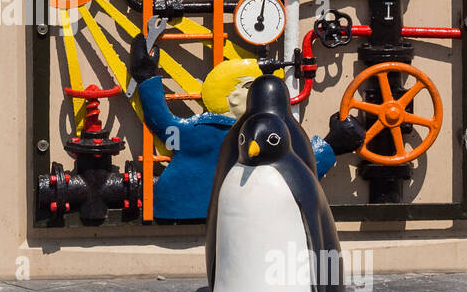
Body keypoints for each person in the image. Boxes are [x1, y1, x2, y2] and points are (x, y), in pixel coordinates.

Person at [128, 34, 364, 222]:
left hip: (189, 209)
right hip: (219, 213)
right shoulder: (224, 133)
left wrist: (146, 76)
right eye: (251, 86)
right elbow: (297, 169)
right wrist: (332, 144)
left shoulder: (198, 131)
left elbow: (163, 123)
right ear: (229, 96)